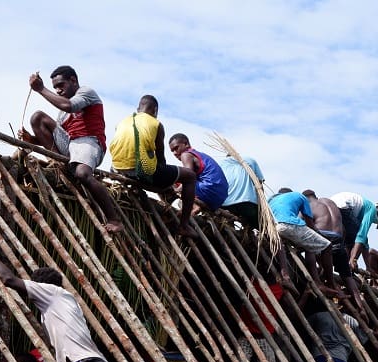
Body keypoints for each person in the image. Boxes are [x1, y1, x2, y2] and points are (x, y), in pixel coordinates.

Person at [20, 66, 120, 232]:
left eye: (61, 85)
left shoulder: (86, 93)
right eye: (55, 88)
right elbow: (57, 135)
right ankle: (60, 163)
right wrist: (32, 140)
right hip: (70, 145)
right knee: (37, 117)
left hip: (89, 142)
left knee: (83, 174)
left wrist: (41, 89)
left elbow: (69, 106)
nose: (58, 90)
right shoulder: (62, 112)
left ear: (73, 80)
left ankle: (114, 219)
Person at [109, 95, 198, 236]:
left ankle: (142, 187)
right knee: (190, 177)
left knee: (147, 169)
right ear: (155, 110)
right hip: (139, 170)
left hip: (117, 168)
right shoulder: (156, 124)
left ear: (138, 108)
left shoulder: (123, 121)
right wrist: (167, 182)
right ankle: (184, 225)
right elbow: (161, 159)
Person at [303, 191, 362, 304]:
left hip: (324, 241)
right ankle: (360, 306)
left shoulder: (308, 206)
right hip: (339, 241)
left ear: (305, 199)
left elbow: (302, 225)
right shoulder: (331, 203)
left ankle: (323, 283)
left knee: (309, 248)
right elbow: (343, 229)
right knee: (347, 276)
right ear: (316, 196)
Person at [268, 189, 330, 286]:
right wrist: (321, 235)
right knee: (327, 246)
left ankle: (285, 273)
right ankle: (327, 282)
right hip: (289, 225)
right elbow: (310, 225)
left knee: (299, 243)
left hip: (273, 230)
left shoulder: (270, 200)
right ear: (290, 193)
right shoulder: (300, 196)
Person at [168, 133, 229, 212]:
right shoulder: (199, 154)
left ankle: (194, 206)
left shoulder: (186, 155)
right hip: (220, 197)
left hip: (209, 190)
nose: (175, 153)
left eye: (176, 148)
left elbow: (187, 177)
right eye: (172, 151)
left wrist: (177, 190)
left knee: (172, 177)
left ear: (186, 144)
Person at [331, 192, 378, 270]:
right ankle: (347, 266)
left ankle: (342, 266)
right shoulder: (372, 209)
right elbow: (361, 235)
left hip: (331, 205)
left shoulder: (360, 213)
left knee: (346, 239)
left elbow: (364, 240)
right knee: (352, 242)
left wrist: (368, 266)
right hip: (343, 207)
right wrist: (354, 258)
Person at [219, 155, 265, 228]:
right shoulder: (249, 160)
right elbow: (259, 186)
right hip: (246, 202)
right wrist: (262, 207)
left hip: (223, 204)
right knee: (261, 225)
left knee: (225, 223)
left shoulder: (219, 164)